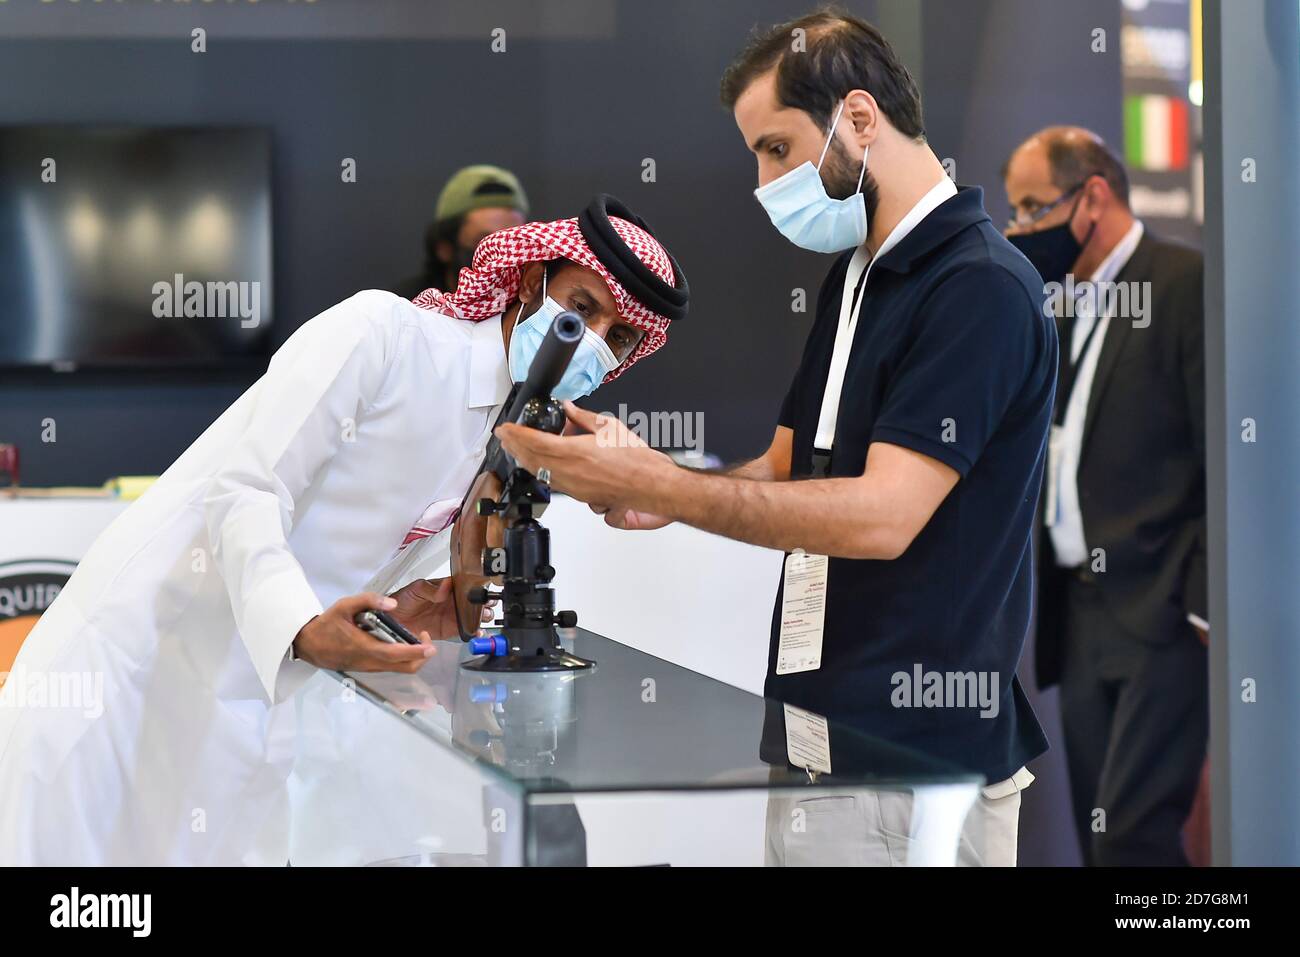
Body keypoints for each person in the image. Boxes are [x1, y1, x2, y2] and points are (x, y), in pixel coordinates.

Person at [496, 10, 1054, 866]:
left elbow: (882, 517)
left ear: (859, 120)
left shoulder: (977, 289)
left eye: (778, 149)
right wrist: (649, 482)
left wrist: (663, 489)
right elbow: (789, 470)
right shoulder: (855, 277)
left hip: (915, 772)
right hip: (814, 745)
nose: (763, 183)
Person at [0, 195, 687, 865]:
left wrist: (415, 607)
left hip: (249, 705)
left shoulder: (507, 438)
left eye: (617, 336)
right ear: (532, 282)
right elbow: (246, 490)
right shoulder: (383, 336)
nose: (593, 340)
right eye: (582, 307)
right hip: (128, 675)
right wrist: (301, 623)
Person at [1002, 126, 1207, 866]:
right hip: (1079, 612)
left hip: (1161, 607)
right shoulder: (1061, 303)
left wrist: (1201, 599)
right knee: (1099, 837)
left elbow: (1224, 455)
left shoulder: (1182, 282)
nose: (1022, 229)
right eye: (1016, 214)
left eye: (1032, 208)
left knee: (1133, 831)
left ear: (1093, 194)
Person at [391, 164, 529, 299]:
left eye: (514, 241)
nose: (503, 260)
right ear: (444, 248)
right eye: (484, 244)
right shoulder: (406, 310)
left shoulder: (537, 305)